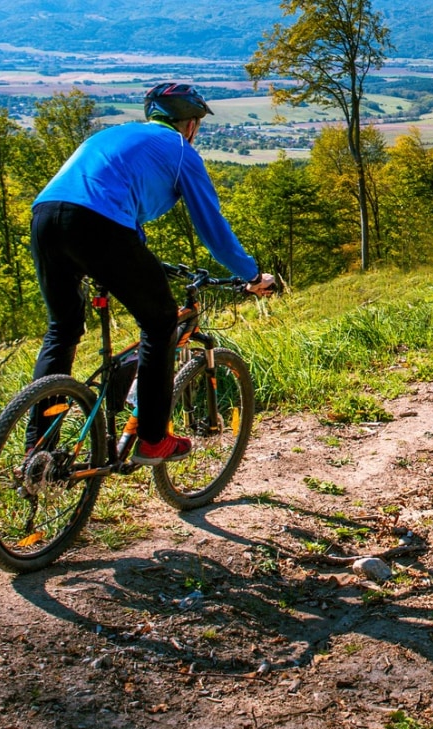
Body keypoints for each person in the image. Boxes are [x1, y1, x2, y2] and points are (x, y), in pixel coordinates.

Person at [30, 83, 276, 465]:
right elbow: (213, 230)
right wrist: (252, 274)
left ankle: (38, 450)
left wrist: (141, 257)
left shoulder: (112, 135)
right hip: (99, 226)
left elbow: (110, 202)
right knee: (161, 322)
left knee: (63, 329)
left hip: (45, 217)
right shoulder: (181, 151)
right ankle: (153, 439)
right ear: (190, 124)